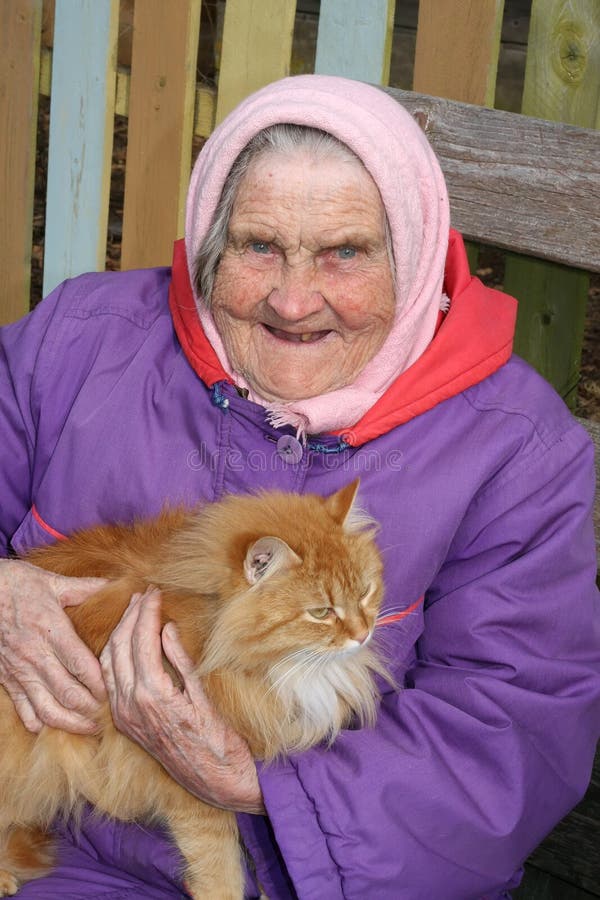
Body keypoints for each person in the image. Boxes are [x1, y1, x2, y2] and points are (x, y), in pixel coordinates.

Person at [0, 74, 598, 899]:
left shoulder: (511, 448)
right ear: (210, 240)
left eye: (344, 252)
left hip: (338, 879)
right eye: (258, 246)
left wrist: (256, 785)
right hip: (60, 850)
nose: (292, 299)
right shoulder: (81, 342)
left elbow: (512, 737)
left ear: (413, 255)